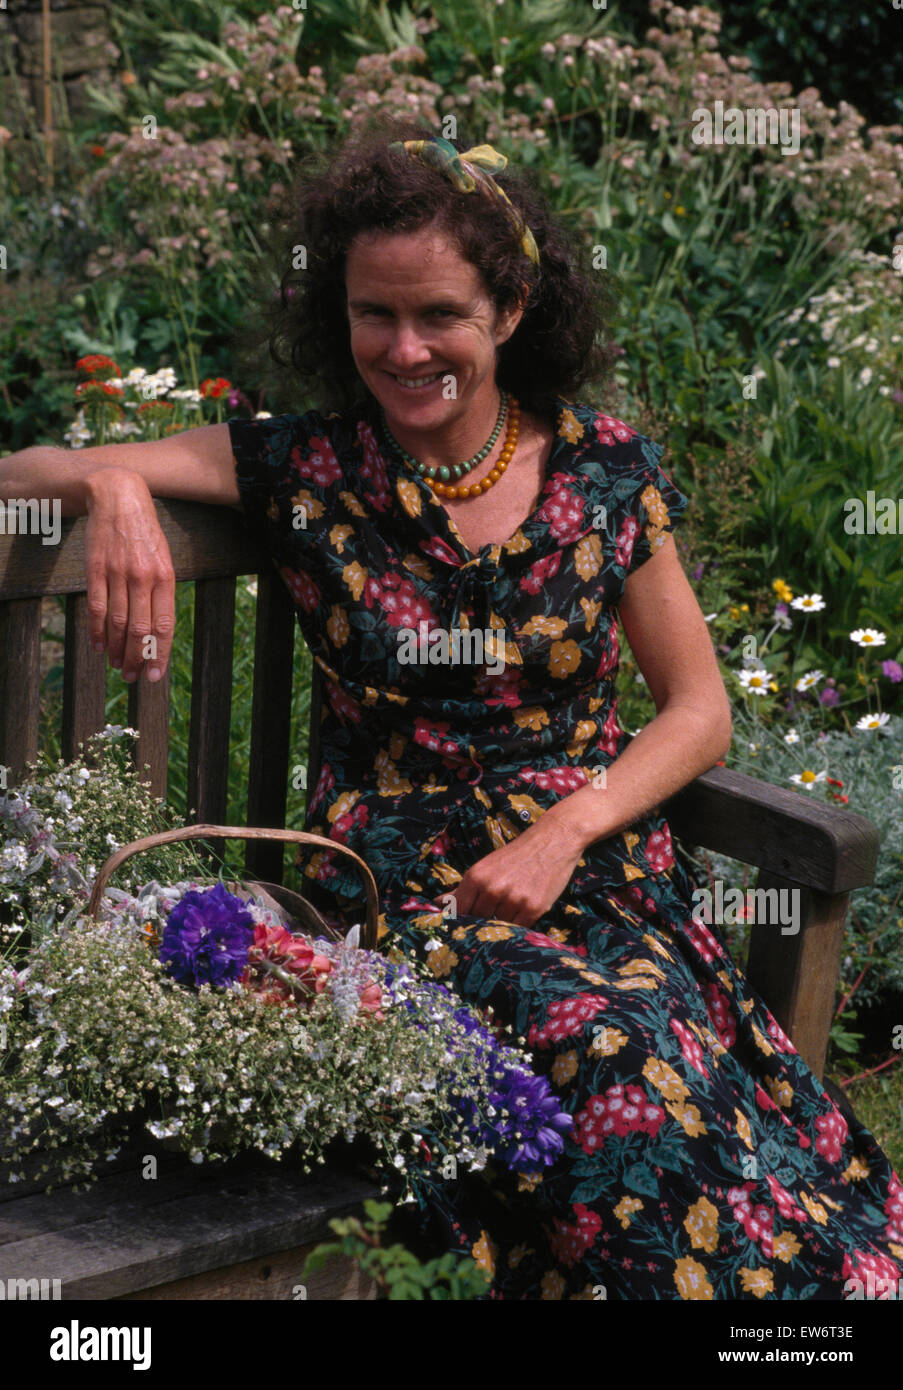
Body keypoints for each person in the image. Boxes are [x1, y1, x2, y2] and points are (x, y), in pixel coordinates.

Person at [2, 123, 901, 1302]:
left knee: (656, 1047)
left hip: (598, 877)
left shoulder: (604, 474)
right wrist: (115, 481)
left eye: (442, 316)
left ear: (513, 309)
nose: (405, 347)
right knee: (604, 1046)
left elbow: (698, 711)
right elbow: (18, 466)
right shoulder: (306, 468)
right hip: (403, 894)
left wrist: (566, 829)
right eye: (375, 314)